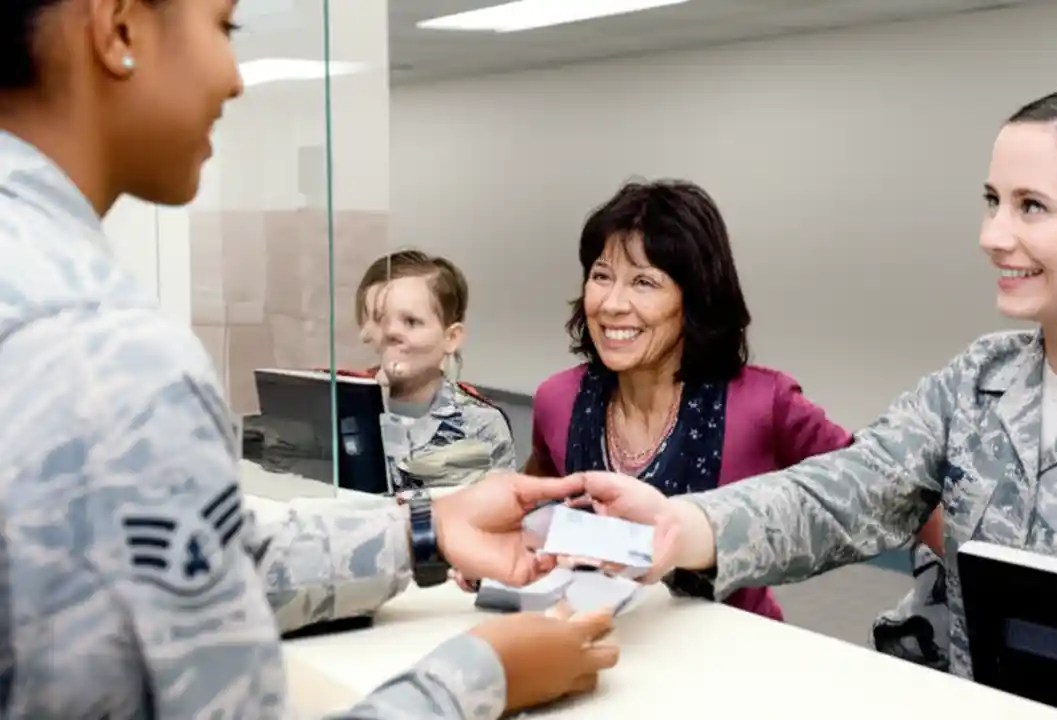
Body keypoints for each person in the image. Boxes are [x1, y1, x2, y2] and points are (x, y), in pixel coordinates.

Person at [0, 1, 616, 717]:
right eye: (224, 27)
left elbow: (166, 562)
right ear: (120, 28)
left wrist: (426, 528)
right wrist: (480, 678)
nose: (234, 79)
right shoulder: (106, 359)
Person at [567, 84, 1057, 679]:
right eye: (992, 200)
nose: (993, 234)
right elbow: (845, 491)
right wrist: (678, 524)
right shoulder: (975, 382)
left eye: (1031, 206)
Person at [504, 179, 849, 621]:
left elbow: (879, 485)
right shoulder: (559, 399)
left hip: (732, 653)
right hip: (600, 644)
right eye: (601, 276)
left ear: (695, 296)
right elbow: (537, 507)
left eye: (644, 282)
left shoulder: (765, 403)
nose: (611, 304)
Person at [353, 250, 518, 488]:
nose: (391, 332)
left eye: (411, 321)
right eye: (380, 320)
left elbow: (498, 513)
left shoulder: (480, 424)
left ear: (451, 337)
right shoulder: (342, 409)